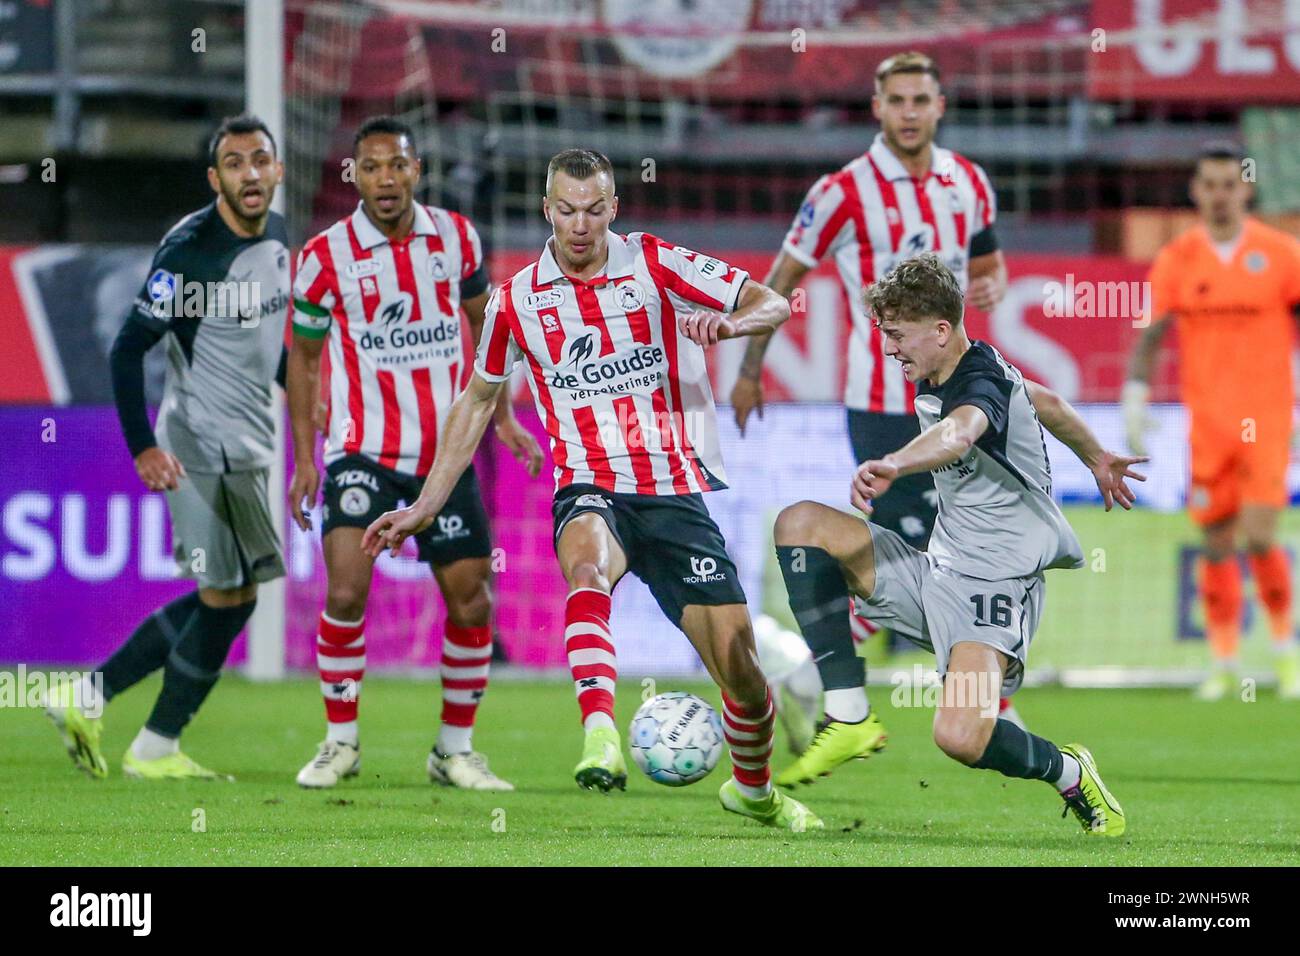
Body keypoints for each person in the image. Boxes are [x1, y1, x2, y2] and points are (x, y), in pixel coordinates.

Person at [363, 148, 823, 831]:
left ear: (614, 208)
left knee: (745, 679)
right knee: (585, 566)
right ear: (548, 210)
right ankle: (601, 731)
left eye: (594, 210)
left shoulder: (656, 262)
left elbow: (772, 301)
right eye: (566, 210)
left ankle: (754, 790)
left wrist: (728, 323)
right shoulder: (516, 301)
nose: (580, 225)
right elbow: (476, 400)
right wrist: (426, 504)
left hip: (671, 491)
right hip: (589, 481)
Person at [774, 254, 1141, 835]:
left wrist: (894, 462)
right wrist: (1095, 455)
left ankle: (1070, 772)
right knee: (800, 524)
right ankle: (847, 713)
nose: (890, 349)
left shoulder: (977, 381)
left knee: (960, 736)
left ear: (940, 330)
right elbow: (1046, 402)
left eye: (896, 335)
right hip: (933, 575)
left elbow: (962, 431)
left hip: (993, 594)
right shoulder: (958, 375)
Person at [729, 51, 1018, 783]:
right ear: (877, 107)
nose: (911, 111)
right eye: (898, 100)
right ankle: (841, 689)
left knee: (960, 549)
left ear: (940, 104)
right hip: (884, 406)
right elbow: (781, 283)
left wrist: (988, 283)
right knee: (911, 554)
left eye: (922, 98)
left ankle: (832, 683)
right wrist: (750, 368)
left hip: (960, 404)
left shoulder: (969, 183)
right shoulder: (841, 192)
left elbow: (988, 266)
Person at [287, 116, 542, 790]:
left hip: (443, 455)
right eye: (371, 167)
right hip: (361, 449)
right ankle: (340, 741)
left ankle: (453, 750)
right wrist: (307, 459)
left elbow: (488, 326)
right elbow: (303, 357)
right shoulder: (323, 256)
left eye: (396, 165)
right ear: (355, 176)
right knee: (345, 589)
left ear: (416, 169)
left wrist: (506, 417)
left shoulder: (456, 239)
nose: (386, 178)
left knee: (472, 602)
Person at [44, 114, 291, 780]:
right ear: (215, 177)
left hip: (248, 447)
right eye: (234, 163)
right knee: (223, 595)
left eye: (259, 160)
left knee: (237, 596)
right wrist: (144, 448)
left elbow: (263, 346)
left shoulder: (280, 241)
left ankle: (90, 695)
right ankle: (155, 746)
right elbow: (128, 350)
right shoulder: (189, 254)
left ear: (277, 170)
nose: (249, 174)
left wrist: (307, 391)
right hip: (196, 447)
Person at [1125, 141, 1300, 701]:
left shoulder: (1281, 254)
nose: (1220, 195)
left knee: (1258, 534)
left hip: (1268, 419)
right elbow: (1151, 335)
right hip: (1208, 425)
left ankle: (1283, 652)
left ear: (1245, 188)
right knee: (1217, 543)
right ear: (1196, 191)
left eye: (1231, 184)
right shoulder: (1178, 259)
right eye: (1210, 185)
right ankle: (1222, 662)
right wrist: (1135, 396)